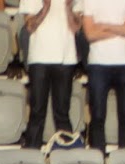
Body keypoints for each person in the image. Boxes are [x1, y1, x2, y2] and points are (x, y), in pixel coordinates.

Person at [20, 0, 81, 148]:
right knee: (37, 113)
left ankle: (66, 159)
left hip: (65, 60)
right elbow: (29, 26)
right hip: (39, 59)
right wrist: (45, 9)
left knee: (62, 113)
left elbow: (76, 28)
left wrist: (68, 8)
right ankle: (32, 157)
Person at [84, 0, 125, 148]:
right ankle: (98, 157)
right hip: (98, 63)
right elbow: (90, 34)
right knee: (97, 116)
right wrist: (122, 28)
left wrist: (106, 26)